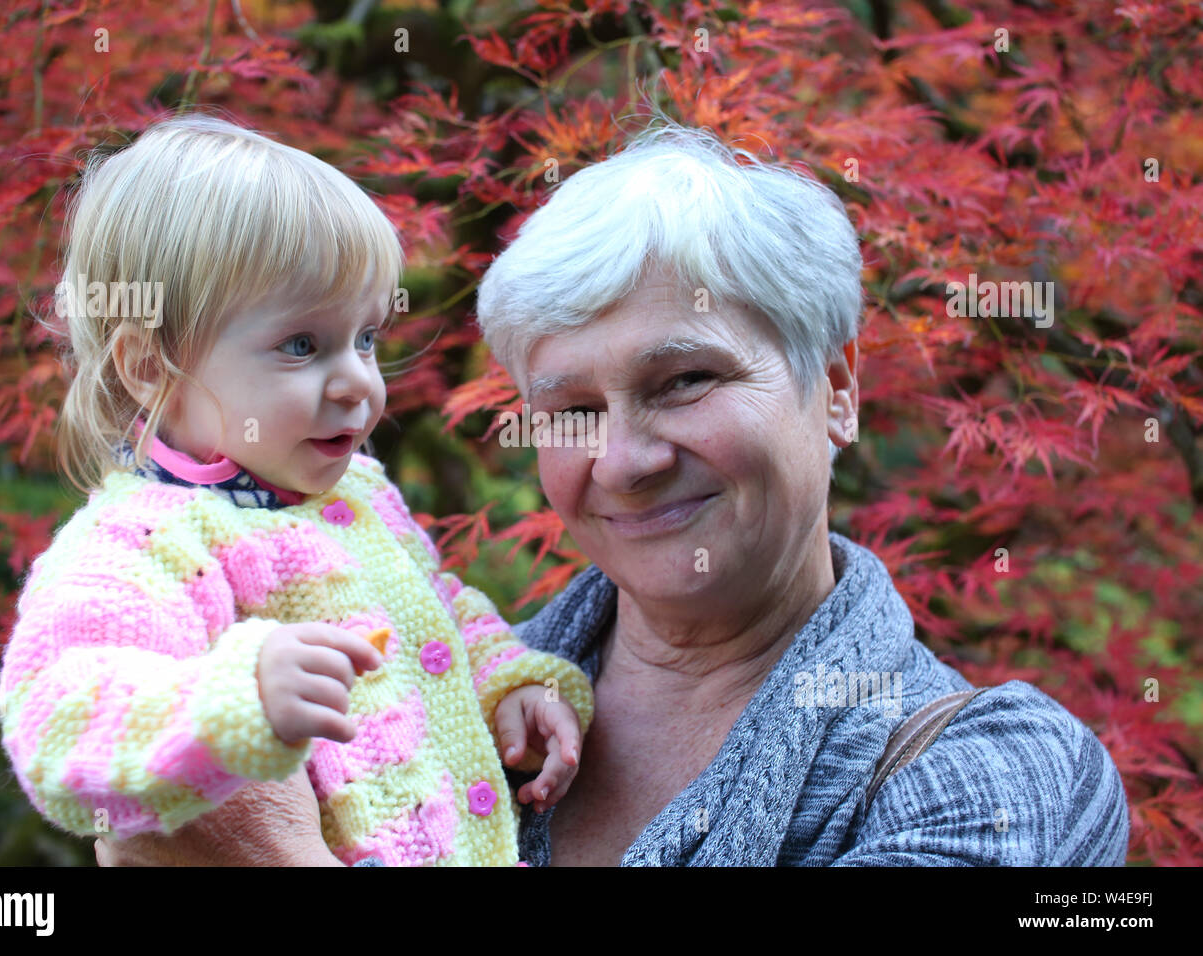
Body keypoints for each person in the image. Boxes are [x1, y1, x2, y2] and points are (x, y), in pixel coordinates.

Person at [96, 121, 1129, 867]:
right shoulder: (407, 700)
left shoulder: (1005, 778)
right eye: (572, 407)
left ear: (839, 388)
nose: (625, 458)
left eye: (686, 380)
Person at [0, 113, 594, 868]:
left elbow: (433, 614)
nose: (357, 381)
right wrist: (233, 699)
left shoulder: (363, 495)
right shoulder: (145, 541)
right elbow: (58, 716)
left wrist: (505, 684)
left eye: (366, 338)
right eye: (302, 345)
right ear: (150, 367)